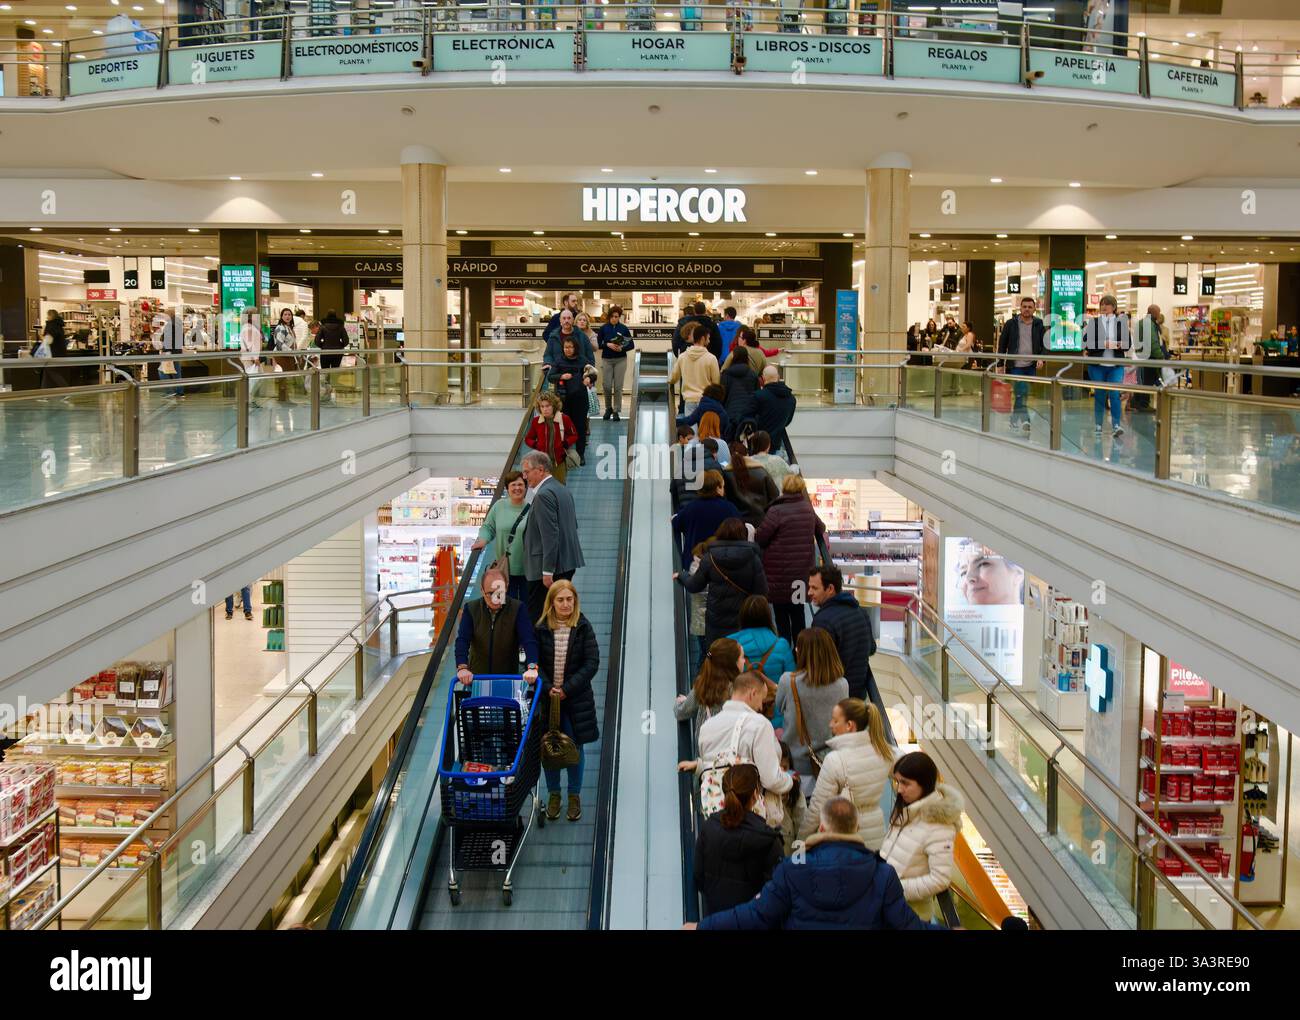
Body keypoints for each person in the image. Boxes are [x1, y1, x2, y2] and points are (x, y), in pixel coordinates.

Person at [692, 797, 942, 930]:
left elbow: (756, 915)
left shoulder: (792, 868)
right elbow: (907, 925)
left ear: (822, 827)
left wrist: (703, 926)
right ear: (856, 828)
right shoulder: (882, 873)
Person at [680, 672, 792, 827]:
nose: (761, 707)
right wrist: (788, 780)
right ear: (753, 693)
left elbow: (713, 767)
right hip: (751, 821)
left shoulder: (707, 728)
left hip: (718, 821)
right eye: (762, 700)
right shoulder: (759, 725)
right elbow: (771, 779)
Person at [534, 579, 600, 822]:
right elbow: (533, 663)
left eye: (569, 599)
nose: (565, 604)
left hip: (576, 700)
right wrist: (549, 688)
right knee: (549, 747)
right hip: (548, 701)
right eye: (560, 600)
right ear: (551, 603)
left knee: (576, 748)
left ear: (575, 601)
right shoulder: (541, 628)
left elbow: (592, 662)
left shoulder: (583, 626)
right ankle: (554, 795)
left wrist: (567, 689)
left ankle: (574, 796)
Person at [879, 751, 964, 921]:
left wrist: (895, 889)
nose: (899, 789)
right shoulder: (907, 809)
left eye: (905, 783)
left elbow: (940, 879)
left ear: (924, 783)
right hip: (886, 906)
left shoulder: (939, 825)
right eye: (897, 781)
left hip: (908, 915)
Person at [800, 698, 894, 849]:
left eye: (835, 720)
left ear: (850, 725)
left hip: (844, 835)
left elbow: (817, 808)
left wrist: (800, 841)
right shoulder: (884, 751)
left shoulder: (835, 760)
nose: (831, 724)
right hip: (876, 834)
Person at [693, 763, 783, 915]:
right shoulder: (769, 839)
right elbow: (777, 892)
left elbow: (698, 877)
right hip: (754, 921)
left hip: (715, 918)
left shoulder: (708, 828)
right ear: (755, 794)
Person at [755, 473, 826, 644]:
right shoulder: (807, 509)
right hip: (801, 574)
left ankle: (785, 654)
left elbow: (761, 538)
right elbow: (821, 527)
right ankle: (800, 653)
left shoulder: (776, 510)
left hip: (779, 575)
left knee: (781, 618)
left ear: (784, 489)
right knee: (798, 614)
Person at [675, 517, 767, 648]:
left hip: (716, 622)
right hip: (744, 621)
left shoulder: (710, 558)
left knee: (717, 658)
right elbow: (762, 592)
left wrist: (682, 575)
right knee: (742, 658)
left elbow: (694, 586)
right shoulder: (753, 558)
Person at [775, 627, 848, 788]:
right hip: (828, 763)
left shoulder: (788, 681)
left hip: (795, 764)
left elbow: (779, 708)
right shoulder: (842, 685)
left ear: (801, 652)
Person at [520, 451, 585, 623]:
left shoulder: (543, 495)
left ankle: (536, 651)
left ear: (540, 470)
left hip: (547, 569)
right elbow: (572, 526)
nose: (525, 477)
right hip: (567, 562)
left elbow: (550, 535)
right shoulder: (562, 490)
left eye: (527, 472)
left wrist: (547, 570)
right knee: (559, 616)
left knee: (538, 618)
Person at [807, 564, 880, 710]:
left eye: (815, 588)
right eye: (809, 587)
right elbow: (871, 648)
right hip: (858, 696)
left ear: (830, 589)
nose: (809, 592)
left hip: (834, 701)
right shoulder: (860, 612)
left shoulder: (823, 621)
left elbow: (819, 666)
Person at [453, 567, 540, 682]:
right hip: (477, 677)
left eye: (500, 593)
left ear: (507, 588)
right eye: (490, 593)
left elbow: (528, 639)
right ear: (482, 590)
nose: (496, 598)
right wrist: (462, 667)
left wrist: (532, 666)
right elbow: (463, 640)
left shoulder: (518, 608)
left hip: (507, 678)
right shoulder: (471, 609)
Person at [726, 595, 795, 725]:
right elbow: (791, 685)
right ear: (768, 617)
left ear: (743, 616)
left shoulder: (729, 644)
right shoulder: (781, 645)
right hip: (774, 718)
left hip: (738, 719)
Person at [471, 470, 530, 602]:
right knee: (505, 605)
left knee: (527, 608)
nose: (517, 488)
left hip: (528, 569)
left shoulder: (533, 508)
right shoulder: (499, 506)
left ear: (526, 487)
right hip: (504, 568)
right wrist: (483, 540)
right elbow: (488, 527)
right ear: (507, 488)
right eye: (513, 485)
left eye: (520, 485)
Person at [1081, 294, 1131, 437]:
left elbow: (1128, 345)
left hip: (1115, 366)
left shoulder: (1121, 324)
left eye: (1107, 304)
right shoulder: (1094, 323)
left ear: (1114, 307)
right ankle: (1098, 425)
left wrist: (1119, 345)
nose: (1103, 307)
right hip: (1097, 366)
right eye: (1102, 304)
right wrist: (1104, 344)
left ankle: (1116, 425)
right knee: (1100, 395)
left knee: (1115, 394)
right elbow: (1086, 343)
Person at [996, 296, 1046, 433]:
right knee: (1020, 393)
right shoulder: (1011, 323)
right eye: (1024, 307)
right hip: (1015, 366)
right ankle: (1025, 420)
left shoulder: (1039, 324)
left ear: (1034, 309)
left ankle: (1013, 420)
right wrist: (1000, 363)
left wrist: (1041, 358)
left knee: (1023, 394)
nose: (1027, 309)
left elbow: (1044, 344)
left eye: (1030, 307)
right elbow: (1002, 344)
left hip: (1030, 366)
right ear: (1020, 308)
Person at [671, 469, 739, 567]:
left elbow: (677, 523)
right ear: (717, 488)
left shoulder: (691, 508)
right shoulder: (730, 508)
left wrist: (674, 518)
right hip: (722, 561)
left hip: (696, 562)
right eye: (722, 486)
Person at [675, 636, 742, 729]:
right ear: (732, 663)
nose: (744, 661)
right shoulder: (741, 688)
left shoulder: (704, 684)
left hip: (708, 741)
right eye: (742, 657)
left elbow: (680, 712)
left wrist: (681, 702)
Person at [550, 334, 591, 463]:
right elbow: (551, 377)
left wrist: (589, 379)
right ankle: (564, 453)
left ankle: (580, 455)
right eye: (565, 347)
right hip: (563, 400)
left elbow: (593, 374)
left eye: (570, 347)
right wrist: (562, 376)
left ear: (575, 348)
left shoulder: (583, 360)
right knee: (564, 428)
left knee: (580, 428)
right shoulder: (558, 360)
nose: (567, 350)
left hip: (580, 399)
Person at [524, 391, 577, 484]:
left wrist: (566, 443)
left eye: (548, 406)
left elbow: (574, 435)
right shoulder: (536, 421)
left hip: (559, 463)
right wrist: (536, 445)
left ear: (554, 406)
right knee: (543, 487)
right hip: (541, 464)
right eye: (542, 406)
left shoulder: (564, 419)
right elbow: (528, 439)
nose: (545, 409)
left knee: (559, 487)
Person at [668, 323, 720, 415]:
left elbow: (673, 378)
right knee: (704, 428)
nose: (709, 341)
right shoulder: (711, 358)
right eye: (708, 338)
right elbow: (716, 382)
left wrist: (669, 381)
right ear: (703, 339)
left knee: (691, 428)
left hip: (689, 400)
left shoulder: (682, 357)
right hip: (705, 400)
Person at [723, 440, 779, 524]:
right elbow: (775, 495)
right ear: (747, 454)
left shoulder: (726, 474)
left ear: (729, 456)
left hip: (736, 522)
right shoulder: (761, 471)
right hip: (760, 519)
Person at [596, 303, 633, 421]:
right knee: (606, 386)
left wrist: (622, 348)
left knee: (618, 386)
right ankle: (608, 408)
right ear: (609, 317)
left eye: (617, 316)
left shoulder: (623, 328)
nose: (614, 319)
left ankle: (616, 410)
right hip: (607, 359)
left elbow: (631, 344)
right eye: (612, 316)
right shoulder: (603, 328)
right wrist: (607, 344)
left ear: (619, 317)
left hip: (620, 359)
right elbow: (598, 344)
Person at [753, 365, 796, 458]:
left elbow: (750, 418)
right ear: (778, 377)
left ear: (763, 378)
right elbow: (787, 422)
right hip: (777, 443)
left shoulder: (758, 396)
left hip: (759, 444)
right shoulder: (791, 399)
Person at [720, 344, 760, 438]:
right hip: (748, 415)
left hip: (730, 414)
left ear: (733, 357)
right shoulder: (753, 375)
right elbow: (757, 395)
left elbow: (722, 395)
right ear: (747, 358)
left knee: (730, 443)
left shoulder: (726, 374)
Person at [542, 308, 596, 372]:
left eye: (569, 318)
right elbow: (548, 354)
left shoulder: (582, 336)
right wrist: (548, 363)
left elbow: (590, 357)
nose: (566, 321)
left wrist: (589, 374)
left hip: (578, 374)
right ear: (560, 320)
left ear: (573, 320)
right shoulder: (553, 337)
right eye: (564, 318)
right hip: (558, 374)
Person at [1133, 304, 1163, 412]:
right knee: (1147, 381)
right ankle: (1144, 404)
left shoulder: (1143, 322)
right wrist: (1160, 356)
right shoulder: (1149, 324)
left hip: (1141, 356)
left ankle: (1137, 402)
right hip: (1150, 357)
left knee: (1142, 380)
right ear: (1154, 313)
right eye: (1159, 312)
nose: (1159, 315)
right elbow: (1153, 342)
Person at [315, 310, 347, 400]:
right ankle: (334, 392)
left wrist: (323, 346)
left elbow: (317, 341)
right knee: (334, 372)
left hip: (325, 352)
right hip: (337, 353)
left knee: (325, 372)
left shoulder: (323, 327)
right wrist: (340, 346)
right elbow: (346, 341)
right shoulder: (341, 327)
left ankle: (326, 393)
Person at [270, 308, 299, 400]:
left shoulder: (289, 328)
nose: (287, 316)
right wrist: (292, 352)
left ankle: (285, 397)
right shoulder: (280, 328)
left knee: (286, 378)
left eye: (289, 314)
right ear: (281, 316)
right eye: (285, 314)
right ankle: (283, 398)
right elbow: (279, 344)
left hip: (288, 356)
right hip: (282, 356)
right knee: (284, 377)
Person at [239, 310, 263, 374]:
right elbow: (250, 345)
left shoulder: (248, 327)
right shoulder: (249, 328)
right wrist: (256, 358)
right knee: (254, 379)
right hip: (250, 358)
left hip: (249, 357)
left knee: (255, 378)